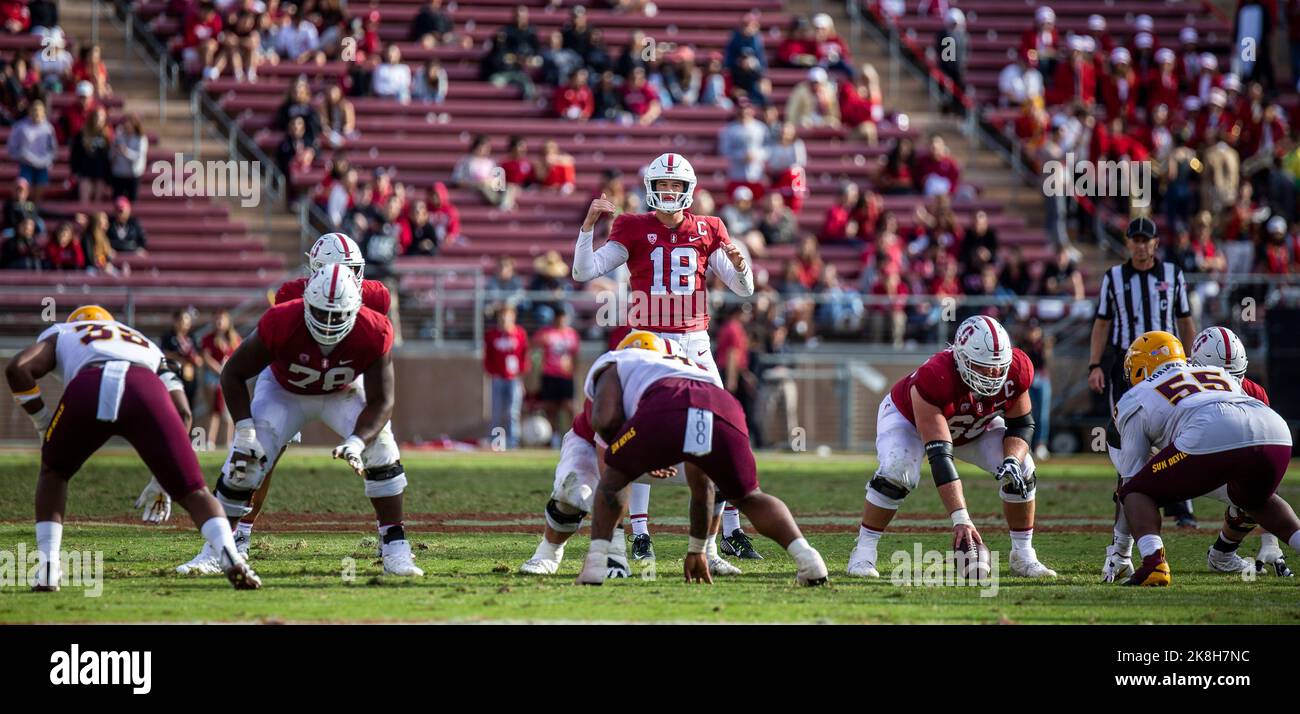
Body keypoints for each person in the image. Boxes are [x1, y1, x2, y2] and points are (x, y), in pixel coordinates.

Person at [572, 152, 760, 570]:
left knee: (720, 433)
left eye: (677, 186)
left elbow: (743, 288)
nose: (670, 192)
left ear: (688, 191)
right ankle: (639, 534)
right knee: (638, 434)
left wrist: (745, 270)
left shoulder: (709, 228)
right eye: (664, 185)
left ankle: (712, 545)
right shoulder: (633, 226)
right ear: (652, 189)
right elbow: (584, 272)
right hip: (649, 343)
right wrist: (588, 227)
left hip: (695, 342)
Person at [179, 265, 421, 577]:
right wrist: (244, 429)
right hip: (284, 391)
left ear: (357, 307)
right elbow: (232, 373)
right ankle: (217, 550)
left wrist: (356, 442)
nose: (329, 322)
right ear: (306, 301)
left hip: (340, 391)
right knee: (246, 460)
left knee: (381, 447)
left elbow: (382, 401)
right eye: (321, 312)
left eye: (338, 315)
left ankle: (395, 547)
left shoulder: (374, 329)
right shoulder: (282, 319)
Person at [5, 305, 260, 591]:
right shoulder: (144, 342)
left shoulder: (64, 331)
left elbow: (17, 369)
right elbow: (185, 414)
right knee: (193, 490)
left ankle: (49, 569)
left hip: (89, 385)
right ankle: (229, 555)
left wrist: (43, 424)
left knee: (54, 473)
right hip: (144, 388)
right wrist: (161, 480)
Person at [574, 332, 828, 586]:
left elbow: (605, 420)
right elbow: (702, 486)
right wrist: (696, 550)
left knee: (613, 479)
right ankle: (809, 560)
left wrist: (626, 455)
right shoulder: (685, 363)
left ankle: (596, 564)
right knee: (748, 496)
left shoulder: (617, 360)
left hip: (666, 405)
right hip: (722, 406)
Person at [847, 315, 1058, 579]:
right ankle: (864, 552)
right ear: (961, 358)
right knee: (897, 470)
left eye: (998, 367)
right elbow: (940, 455)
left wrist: (1012, 459)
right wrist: (961, 519)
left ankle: (1023, 555)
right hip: (908, 420)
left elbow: (1021, 424)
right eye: (982, 367)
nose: (993, 375)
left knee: (1022, 470)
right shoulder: (935, 376)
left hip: (974, 426)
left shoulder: (1017, 368)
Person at [1112, 332, 1297, 586]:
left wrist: (1120, 552)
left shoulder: (1134, 398)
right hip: (1276, 431)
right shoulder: (1217, 373)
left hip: (1212, 431)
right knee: (1254, 500)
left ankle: (1154, 563)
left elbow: (1131, 478)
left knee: (1135, 492)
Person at [1092, 219, 1199, 581]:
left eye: (1146, 240)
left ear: (1155, 243)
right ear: (1128, 244)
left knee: (1177, 434)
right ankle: (1129, 512)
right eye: (1134, 240)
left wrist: (1192, 361)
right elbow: (1102, 323)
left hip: (1169, 365)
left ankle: (1182, 506)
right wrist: (1095, 363)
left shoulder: (1173, 273)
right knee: (1127, 447)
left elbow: (1185, 319)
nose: (1140, 246)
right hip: (1127, 367)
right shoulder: (1113, 278)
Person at [1189, 326, 1293, 577]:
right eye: (1218, 375)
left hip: (1219, 467)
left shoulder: (1255, 393)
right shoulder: (1182, 383)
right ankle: (1123, 552)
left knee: (1254, 491)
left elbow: (1265, 468)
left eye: (1233, 375)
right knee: (1135, 482)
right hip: (1180, 459)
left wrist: (1271, 542)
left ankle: (1222, 555)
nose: (1226, 384)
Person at [532, 310, 579, 446]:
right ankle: (554, 437)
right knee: (550, 407)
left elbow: (575, 354)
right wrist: (537, 363)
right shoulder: (546, 333)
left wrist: (574, 369)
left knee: (569, 406)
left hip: (566, 376)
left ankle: (575, 435)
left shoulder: (571, 334)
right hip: (550, 374)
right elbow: (533, 346)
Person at [484, 304, 528, 449]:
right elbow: (488, 357)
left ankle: (513, 440)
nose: (504, 319)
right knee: (496, 411)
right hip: (498, 378)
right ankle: (495, 440)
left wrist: (521, 376)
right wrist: (491, 372)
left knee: (513, 411)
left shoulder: (520, 334)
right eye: (501, 316)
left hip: (514, 378)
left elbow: (524, 356)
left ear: (513, 317)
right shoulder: (491, 335)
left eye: (507, 316)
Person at [200, 310, 240, 450]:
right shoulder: (208, 338)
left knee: (228, 411)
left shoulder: (235, 339)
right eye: (216, 319)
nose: (219, 322)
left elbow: (239, 357)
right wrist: (219, 369)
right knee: (214, 409)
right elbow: (206, 358)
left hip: (228, 377)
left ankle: (229, 441)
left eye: (221, 319)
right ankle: (209, 441)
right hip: (212, 377)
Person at [5, 100, 56, 200]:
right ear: (30, 111)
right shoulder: (21, 127)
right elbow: (11, 147)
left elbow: (53, 148)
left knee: (40, 188)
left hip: (42, 165)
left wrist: (48, 159)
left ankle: (35, 210)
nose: (36, 113)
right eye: (34, 110)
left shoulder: (48, 128)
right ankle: (20, 209)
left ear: (43, 112)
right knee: (22, 186)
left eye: (39, 111)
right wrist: (20, 154)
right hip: (25, 164)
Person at [110, 114, 148, 202]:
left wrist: (125, 151)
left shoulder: (141, 138)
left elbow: (139, 156)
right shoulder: (118, 137)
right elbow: (111, 153)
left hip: (133, 174)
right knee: (117, 199)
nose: (126, 126)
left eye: (129, 124)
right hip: (119, 173)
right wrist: (113, 154)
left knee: (132, 200)